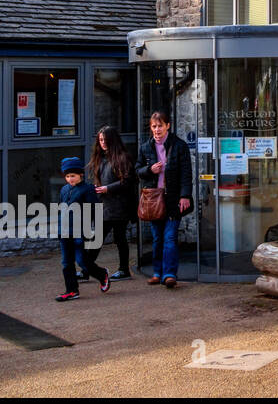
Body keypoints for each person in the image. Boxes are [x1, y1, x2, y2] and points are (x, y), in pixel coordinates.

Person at [135, 110, 192, 288]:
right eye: (154, 126)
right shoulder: (145, 147)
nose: (157, 129)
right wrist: (149, 170)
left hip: (173, 199)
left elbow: (186, 174)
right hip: (153, 200)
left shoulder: (179, 146)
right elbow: (137, 171)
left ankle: (169, 274)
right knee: (157, 238)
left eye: (160, 126)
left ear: (168, 126)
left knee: (169, 238)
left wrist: (185, 196)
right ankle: (157, 272)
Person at [56, 157, 110, 301]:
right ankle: (72, 290)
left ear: (81, 175)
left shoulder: (88, 189)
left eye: (72, 176)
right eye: (67, 176)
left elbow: (94, 210)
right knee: (66, 262)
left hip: (81, 231)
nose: (70, 179)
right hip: (65, 232)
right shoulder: (64, 189)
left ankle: (101, 274)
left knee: (82, 261)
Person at [89, 125, 137, 279]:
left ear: (113, 140)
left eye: (105, 139)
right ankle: (87, 268)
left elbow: (129, 181)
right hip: (104, 205)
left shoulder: (122, 157)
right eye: (100, 139)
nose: (102, 142)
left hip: (119, 206)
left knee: (119, 238)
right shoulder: (100, 158)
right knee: (98, 238)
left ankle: (123, 269)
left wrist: (107, 189)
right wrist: (98, 188)